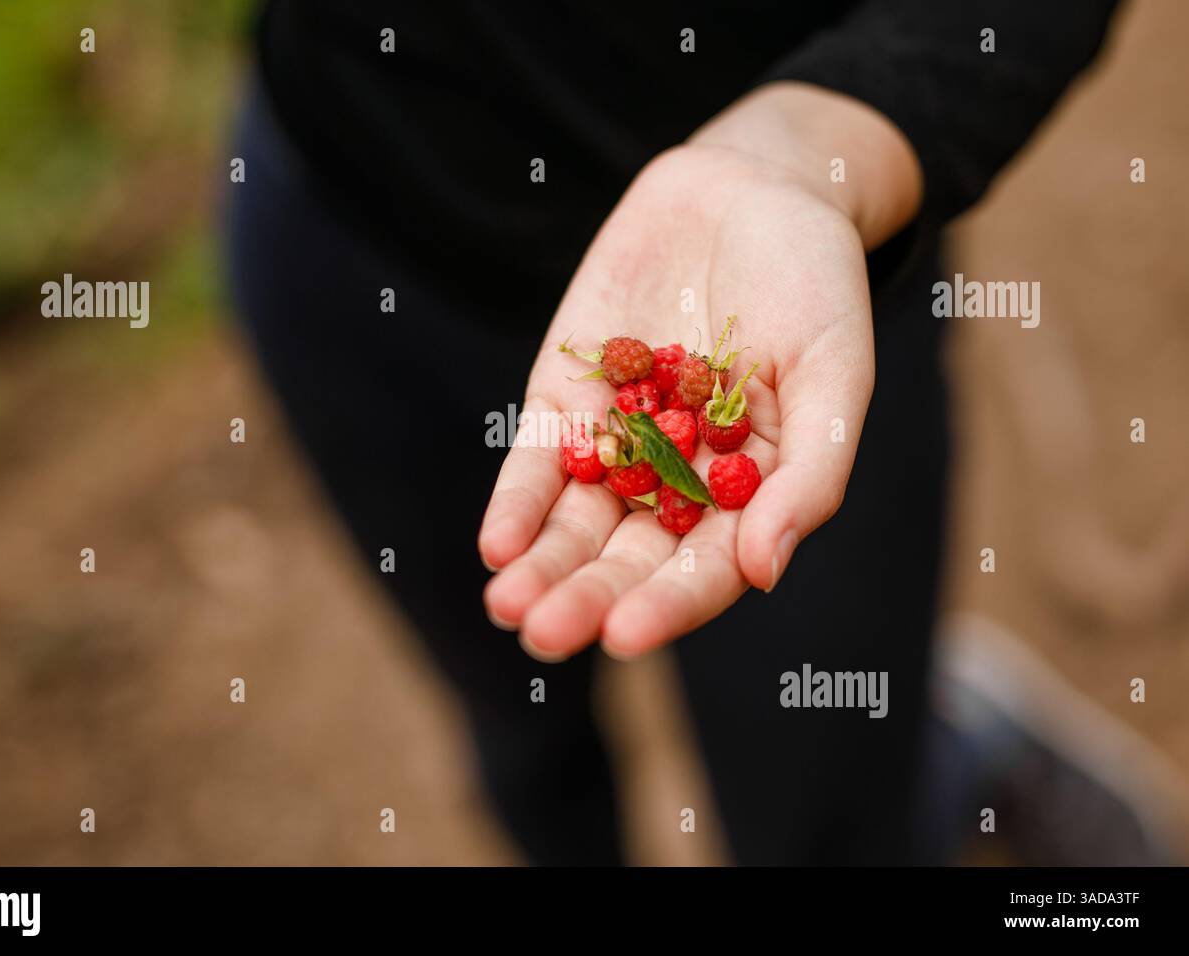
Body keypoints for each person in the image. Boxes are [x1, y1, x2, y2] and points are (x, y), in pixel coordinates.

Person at [226, 1, 1119, 864]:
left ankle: (949, 750)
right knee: (520, 736)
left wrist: (821, 141)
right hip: (345, 222)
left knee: (827, 801)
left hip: (793, 278)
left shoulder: (720, 393)